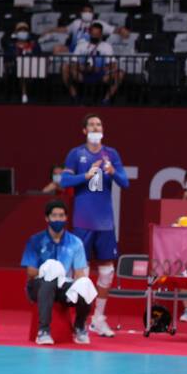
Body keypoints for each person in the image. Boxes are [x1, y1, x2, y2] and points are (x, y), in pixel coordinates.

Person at [58, 114, 129, 337]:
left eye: (99, 124)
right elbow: (63, 181)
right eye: (91, 124)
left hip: (105, 222)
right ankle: (81, 319)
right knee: (83, 270)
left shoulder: (112, 154)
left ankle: (99, 318)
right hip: (83, 221)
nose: (95, 127)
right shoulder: (76, 153)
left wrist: (112, 172)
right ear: (84, 130)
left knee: (107, 271)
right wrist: (84, 176)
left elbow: (125, 183)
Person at [22, 200, 94, 345]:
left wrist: (77, 288)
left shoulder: (75, 242)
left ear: (66, 218)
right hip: (38, 285)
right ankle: (43, 331)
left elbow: (79, 273)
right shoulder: (35, 241)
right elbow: (30, 272)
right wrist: (48, 270)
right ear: (47, 218)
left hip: (63, 287)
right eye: (54, 216)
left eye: (61, 216)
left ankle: (79, 326)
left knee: (86, 285)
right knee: (49, 281)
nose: (58, 219)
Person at [62, 21, 123, 104]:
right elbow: (73, 62)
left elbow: (113, 64)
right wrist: (83, 67)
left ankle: (106, 100)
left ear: (101, 34)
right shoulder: (81, 45)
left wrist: (99, 69)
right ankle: (75, 97)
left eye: (97, 34)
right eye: (93, 34)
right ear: (89, 33)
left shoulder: (107, 47)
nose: (95, 36)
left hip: (101, 75)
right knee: (65, 67)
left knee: (120, 73)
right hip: (82, 74)